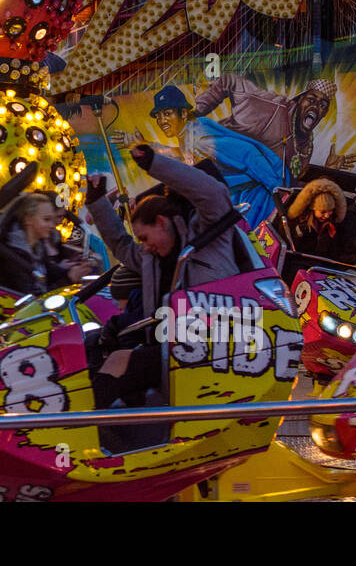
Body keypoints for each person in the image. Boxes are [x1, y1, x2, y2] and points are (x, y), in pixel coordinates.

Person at [84, 145, 249, 411]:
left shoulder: (209, 236)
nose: (144, 246)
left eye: (145, 238)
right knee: (95, 354)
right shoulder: (152, 257)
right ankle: (117, 428)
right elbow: (121, 246)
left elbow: (212, 193)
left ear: (161, 222)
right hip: (169, 346)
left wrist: (154, 163)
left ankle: (87, 429)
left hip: (210, 344)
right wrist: (96, 201)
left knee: (119, 363)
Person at [132, 84, 285, 227]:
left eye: (167, 114)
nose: (162, 121)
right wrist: (148, 145)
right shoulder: (188, 134)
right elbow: (181, 156)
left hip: (256, 198)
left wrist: (278, 192)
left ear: (184, 113)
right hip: (235, 197)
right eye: (158, 116)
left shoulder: (202, 140)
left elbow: (248, 153)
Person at [193, 73, 355, 178]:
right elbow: (230, 81)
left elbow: (289, 183)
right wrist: (197, 111)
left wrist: (327, 171)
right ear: (299, 100)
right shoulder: (271, 107)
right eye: (311, 100)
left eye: (322, 105)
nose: (315, 106)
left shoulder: (306, 146)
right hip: (211, 168)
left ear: (325, 113)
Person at [0, 193, 99, 297]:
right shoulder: (14, 258)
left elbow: (49, 272)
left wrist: (75, 270)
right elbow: (35, 303)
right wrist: (69, 278)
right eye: (46, 219)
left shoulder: (36, 246)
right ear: (28, 219)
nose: (52, 225)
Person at [287, 178, 352, 262]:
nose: (327, 215)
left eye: (330, 211)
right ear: (313, 209)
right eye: (323, 211)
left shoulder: (333, 226)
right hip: (298, 262)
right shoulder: (299, 223)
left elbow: (336, 252)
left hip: (321, 266)